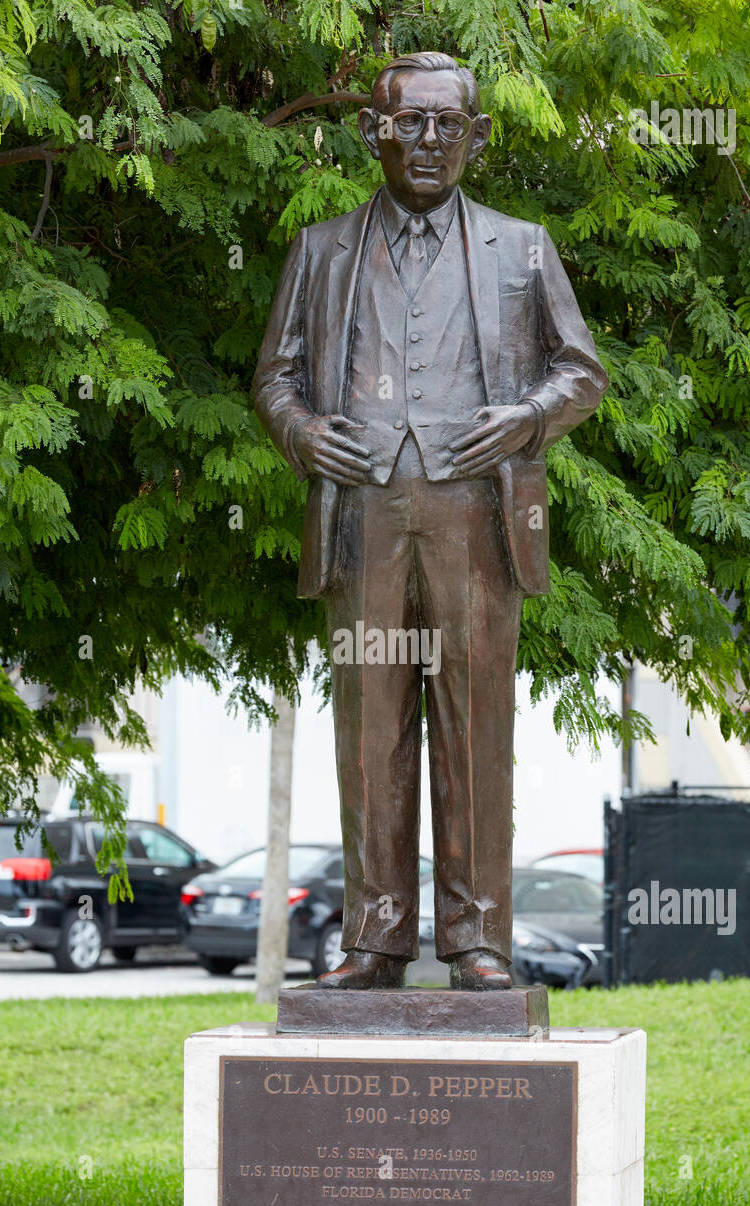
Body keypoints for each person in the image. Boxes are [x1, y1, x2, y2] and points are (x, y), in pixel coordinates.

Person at [254, 52, 608, 989]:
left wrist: (527, 419)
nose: (429, 142)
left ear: (478, 136)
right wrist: (303, 432)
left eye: (449, 125)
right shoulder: (323, 250)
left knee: (474, 727)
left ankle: (478, 938)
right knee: (370, 731)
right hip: (363, 518)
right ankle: (374, 939)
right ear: (374, 131)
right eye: (410, 123)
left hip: (475, 522)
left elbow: (583, 372)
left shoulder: (520, 247)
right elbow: (274, 379)